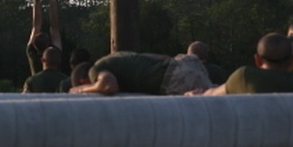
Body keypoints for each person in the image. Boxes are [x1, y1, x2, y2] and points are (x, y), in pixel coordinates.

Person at [68, 50, 211, 96]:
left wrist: (81, 90)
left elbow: (108, 85)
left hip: (173, 78)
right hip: (186, 63)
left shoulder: (95, 70)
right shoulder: (115, 57)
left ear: (83, 80)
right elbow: (158, 57)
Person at [26, 0, 62, 75]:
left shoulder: (32, 52)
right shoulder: (54, 52)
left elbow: (36, 25)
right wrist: (52, 2)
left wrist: (36, 2)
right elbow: (54, 27)